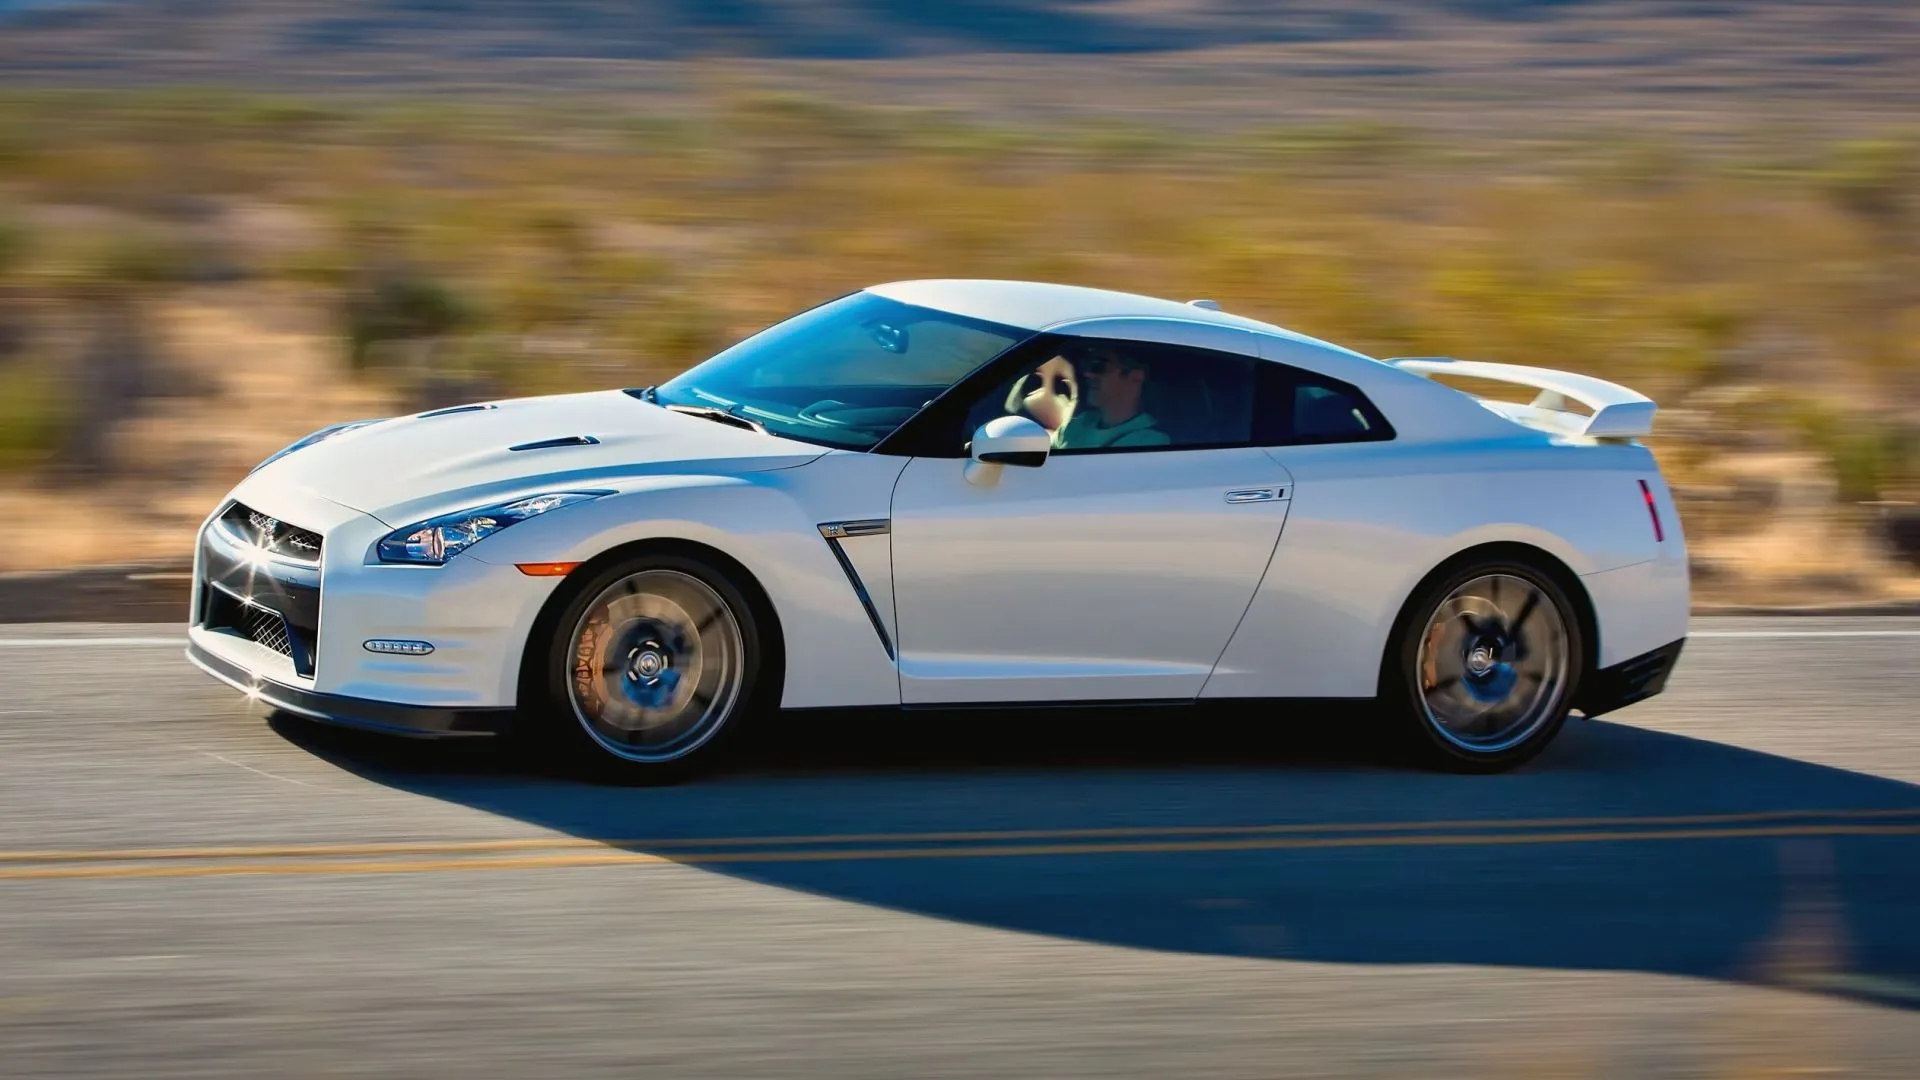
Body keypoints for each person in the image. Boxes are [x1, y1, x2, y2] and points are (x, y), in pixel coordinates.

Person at [1056, 346, 1169, 449]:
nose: (1088, 374)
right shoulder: (1077, 425)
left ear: (1136, 377)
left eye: (1099, 366)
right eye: (1086, 364)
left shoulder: (1151, 442)